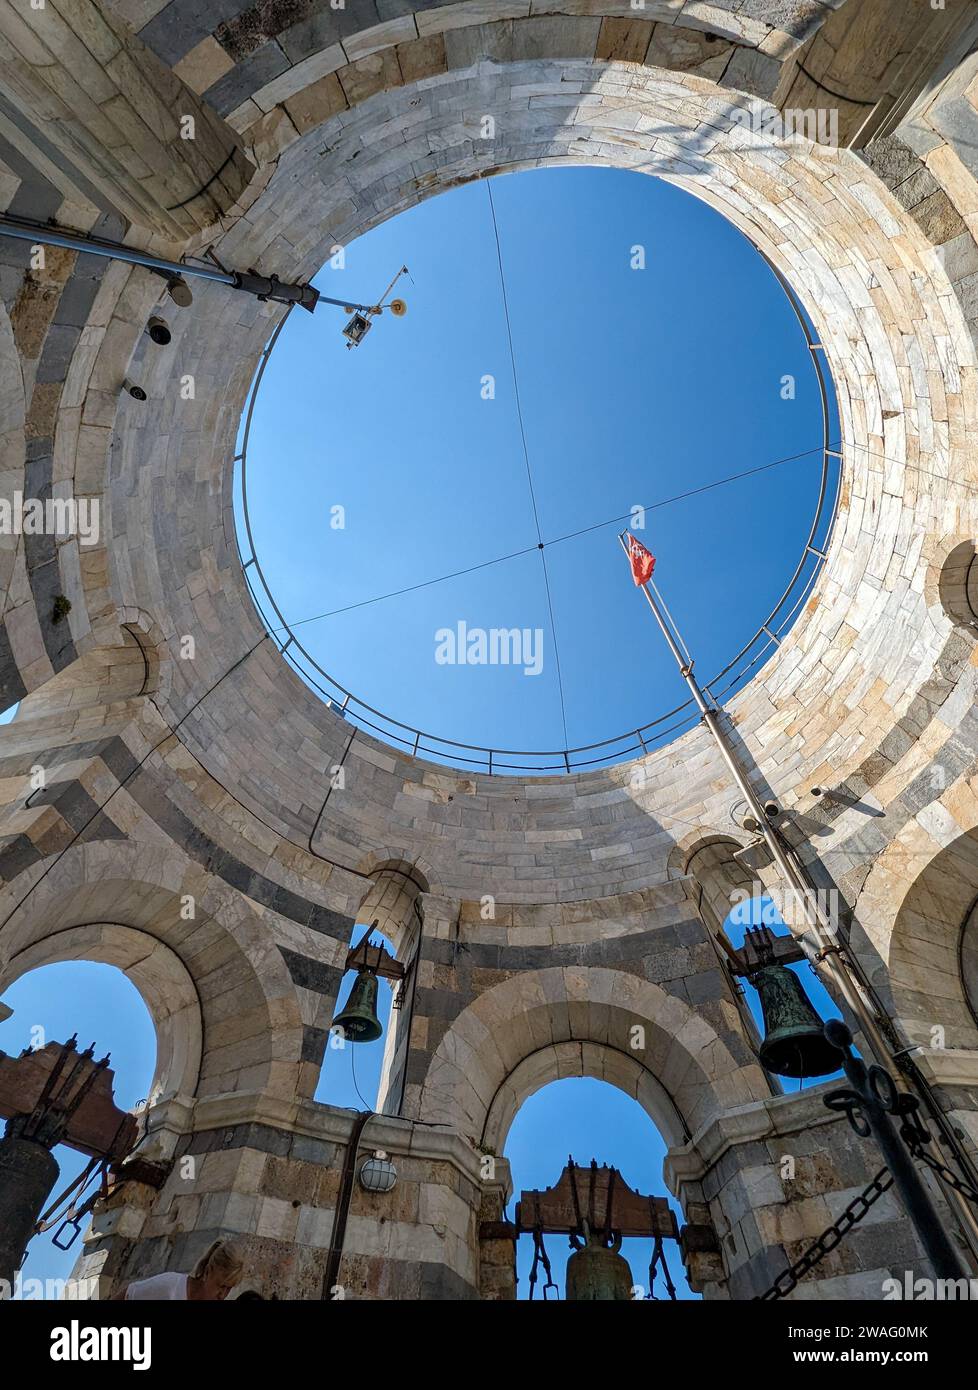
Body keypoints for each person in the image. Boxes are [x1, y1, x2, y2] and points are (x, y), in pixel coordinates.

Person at [110, 1239, 244, 1301]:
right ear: (208, 1272)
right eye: (221, 1286)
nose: (223, 1295)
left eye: (229, 1289)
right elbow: (128, 1295)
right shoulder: (169, 1286)